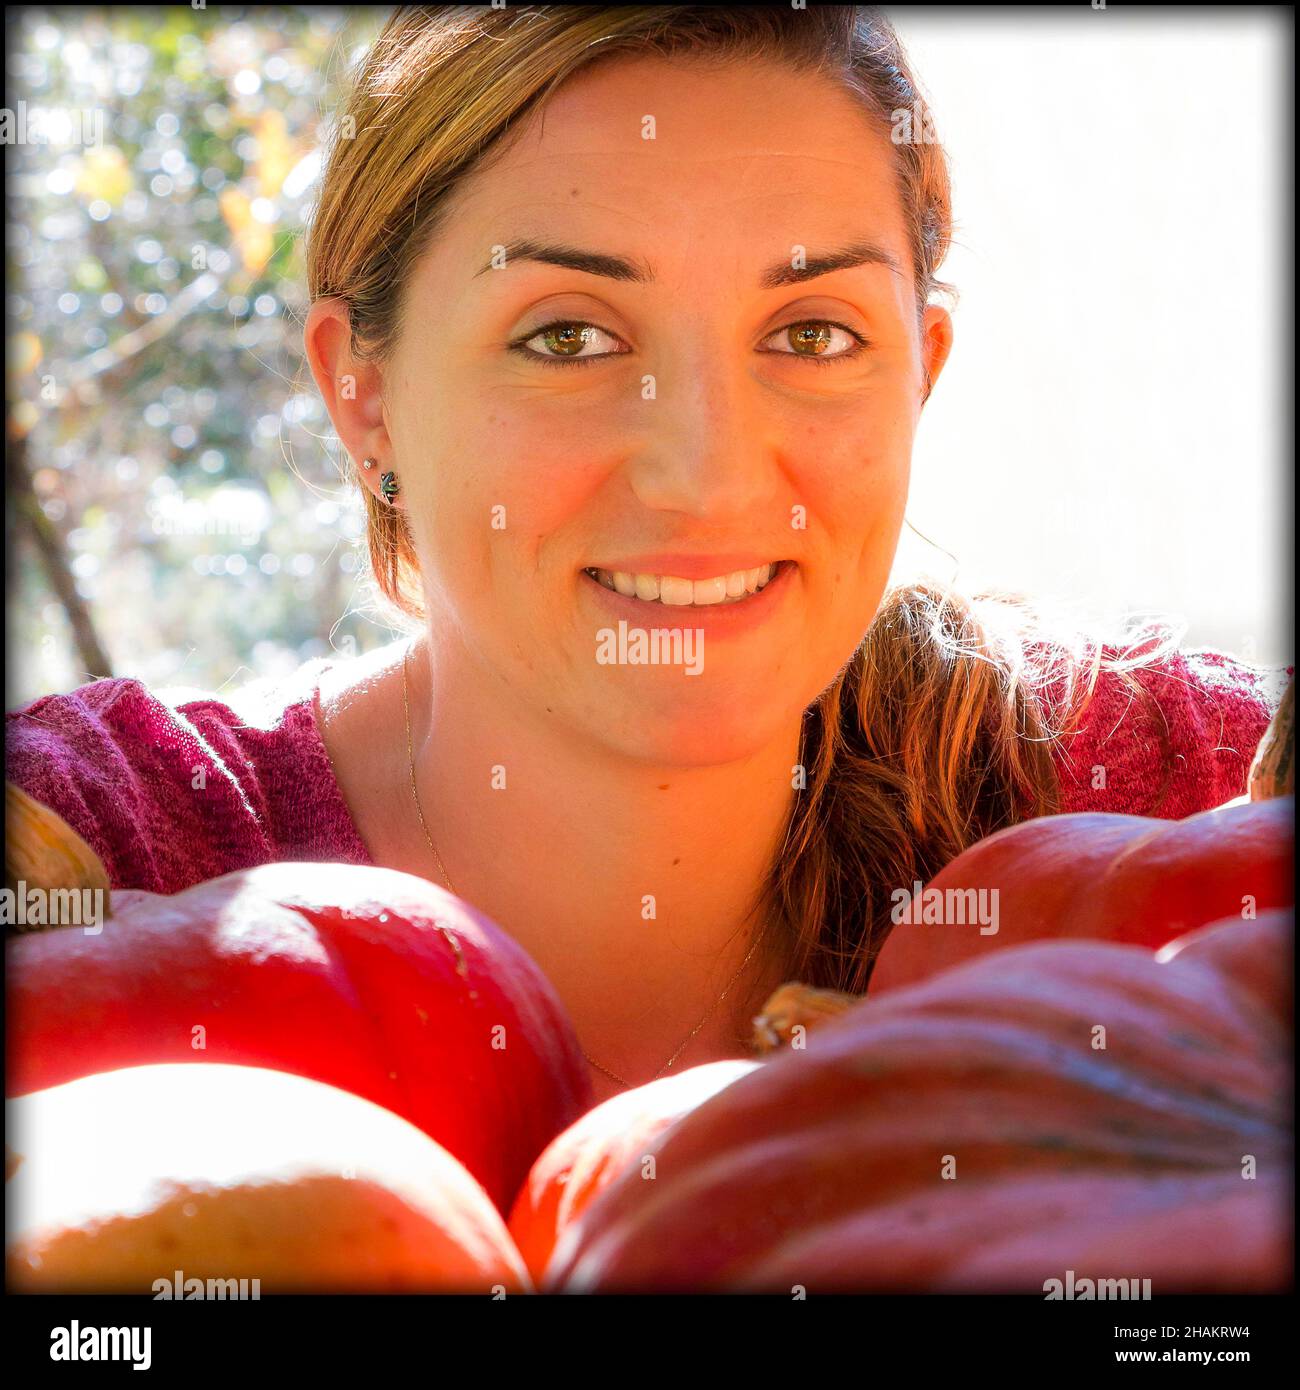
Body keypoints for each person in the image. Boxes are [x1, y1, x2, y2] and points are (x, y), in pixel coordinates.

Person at [6, 7, 1290, 1103]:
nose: (707, 473)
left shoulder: (1162, 796)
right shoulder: (105, 858)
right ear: (365, 394)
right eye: (568, 336)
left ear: (921, 372)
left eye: (813, 334)